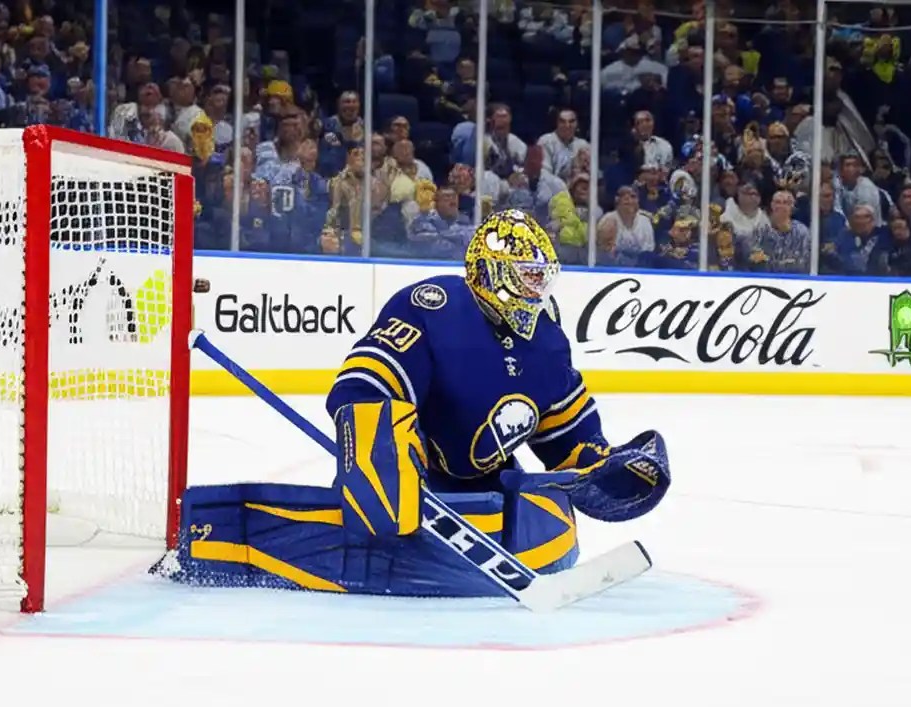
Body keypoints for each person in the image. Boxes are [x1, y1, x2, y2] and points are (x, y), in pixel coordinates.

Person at [164, 210, 671, 599]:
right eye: (526, 276)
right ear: (492, 273)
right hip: (413, 485)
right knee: (375, 514)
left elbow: (569, 435)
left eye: (542, 276)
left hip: (482, 490)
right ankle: (226, 533)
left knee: (539, 514)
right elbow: (364, 384)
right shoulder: (435, 307)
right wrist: (382, 449)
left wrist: (599, 466)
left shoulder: (547, 340)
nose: (536, 289)